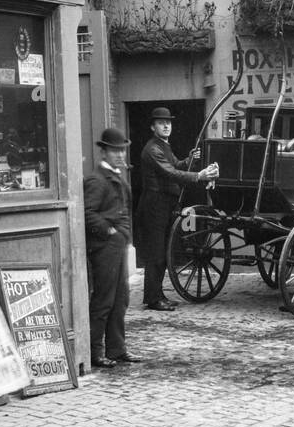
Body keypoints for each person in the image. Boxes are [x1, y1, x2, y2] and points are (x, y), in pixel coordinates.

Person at [135, 107, 218, 310]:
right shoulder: (152, 149)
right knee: (156, 253)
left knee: (162, 252)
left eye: (169, 123)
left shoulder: (163, 146)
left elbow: (177, 166)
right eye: (161, 123)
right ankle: (153, 299)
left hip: (165, 204)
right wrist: (199, 176)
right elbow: (171, 173)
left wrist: (190, 159)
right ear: (152, 126)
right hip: (155, 205)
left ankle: (157, 295)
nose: (166, 125)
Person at [82, 127, 141, 369]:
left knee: (120, 299)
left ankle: (117, 349)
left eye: (122, 151)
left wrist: (121, 236)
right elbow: (88, 213)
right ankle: (95, 351)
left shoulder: (116, 175)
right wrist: (109, 231)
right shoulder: (96, 180)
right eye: (115, 151)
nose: (120, 155)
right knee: (104, 299)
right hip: (105, 247)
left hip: (118, 245)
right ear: (104, 152)